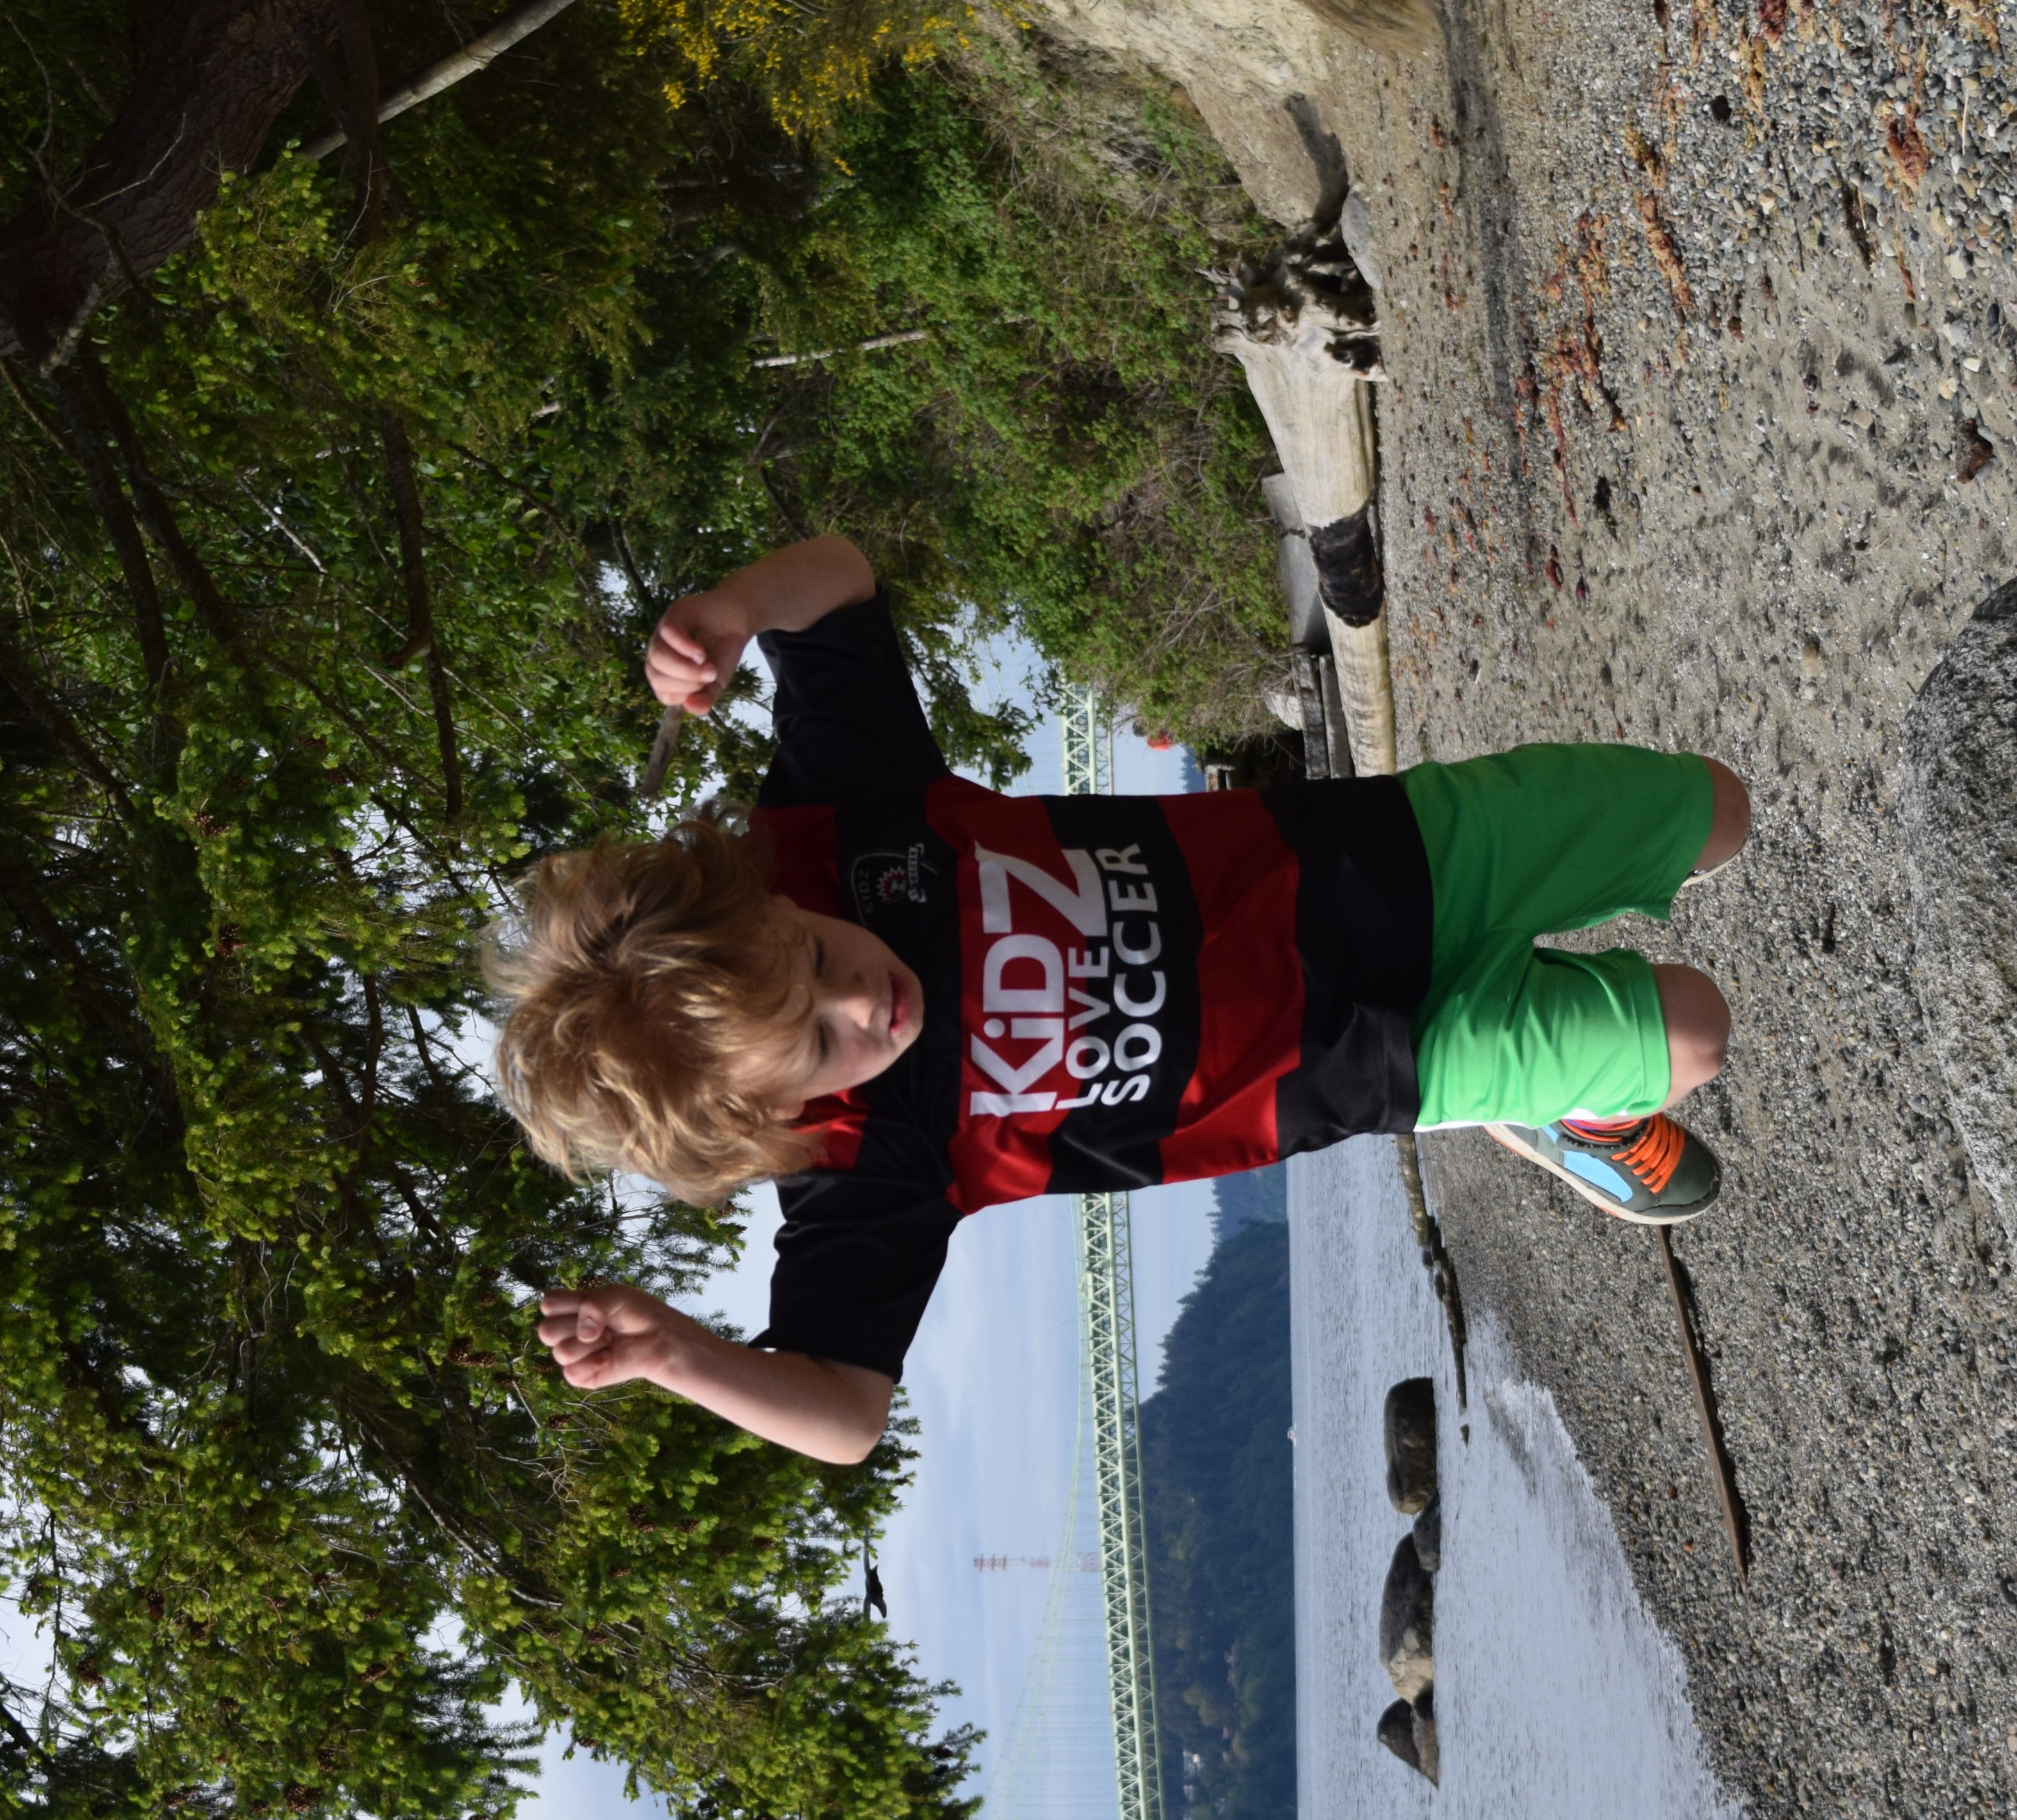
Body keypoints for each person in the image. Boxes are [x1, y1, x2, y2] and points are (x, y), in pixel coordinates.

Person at [487, 534, 1747, 1464]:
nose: (867, 1005)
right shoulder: (866, 1167)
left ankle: (1572, 1083)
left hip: (1381, 852)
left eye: (818, 957)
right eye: (821, 1045)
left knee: (1716, 810)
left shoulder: (835, 821)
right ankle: (1567, 1109)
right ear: (776, 1118)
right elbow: (845, 1415)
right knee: (1693, 1031)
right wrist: (674, 1353)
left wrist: (732, 609)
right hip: (1373, 1057)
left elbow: (843, 580)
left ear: (768, 891)